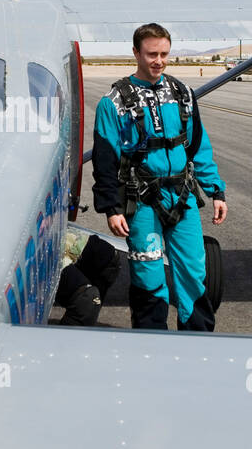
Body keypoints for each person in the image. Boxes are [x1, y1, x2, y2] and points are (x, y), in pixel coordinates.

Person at [91, 22, 227, 331]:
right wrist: (111, 208)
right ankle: (151, 342)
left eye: (165, 54)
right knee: (148, 276)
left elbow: (198, 147)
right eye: (152, 54)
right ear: (136, 53)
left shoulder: (182, 94)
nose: (159, 61)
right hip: (141, 203)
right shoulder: (112, 104)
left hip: (183, 199)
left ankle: (199, 341)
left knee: (193, 273)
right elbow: (104, 162)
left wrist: (216, 191)